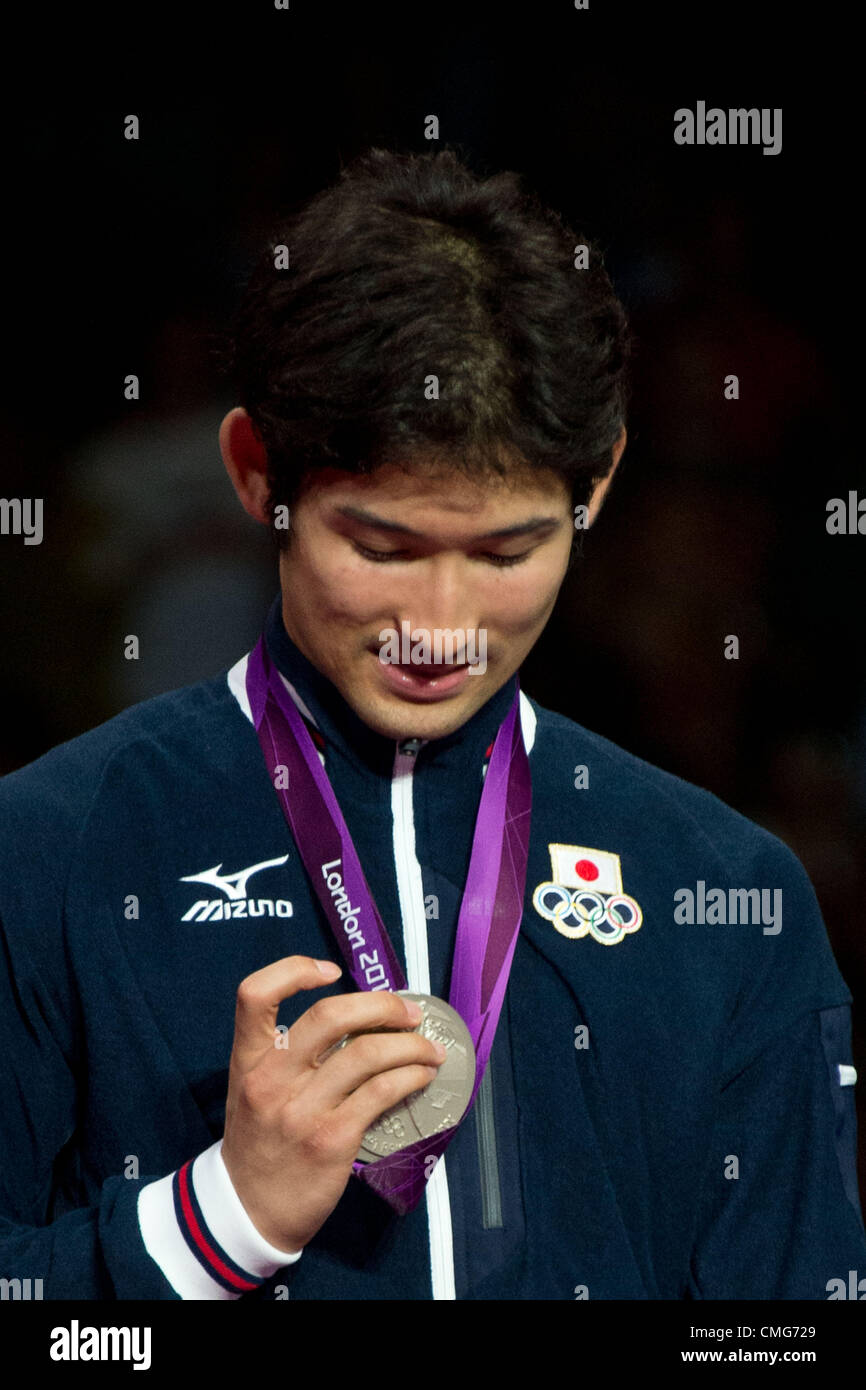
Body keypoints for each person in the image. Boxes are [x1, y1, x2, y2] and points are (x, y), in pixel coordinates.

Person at [1, 146, 864, 1302]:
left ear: (594, 485)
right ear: (259, 474)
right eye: (382, 546)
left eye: (506, 551)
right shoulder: (48, 850)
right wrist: (214, 1224)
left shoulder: (726, 893)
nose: (440, 626)